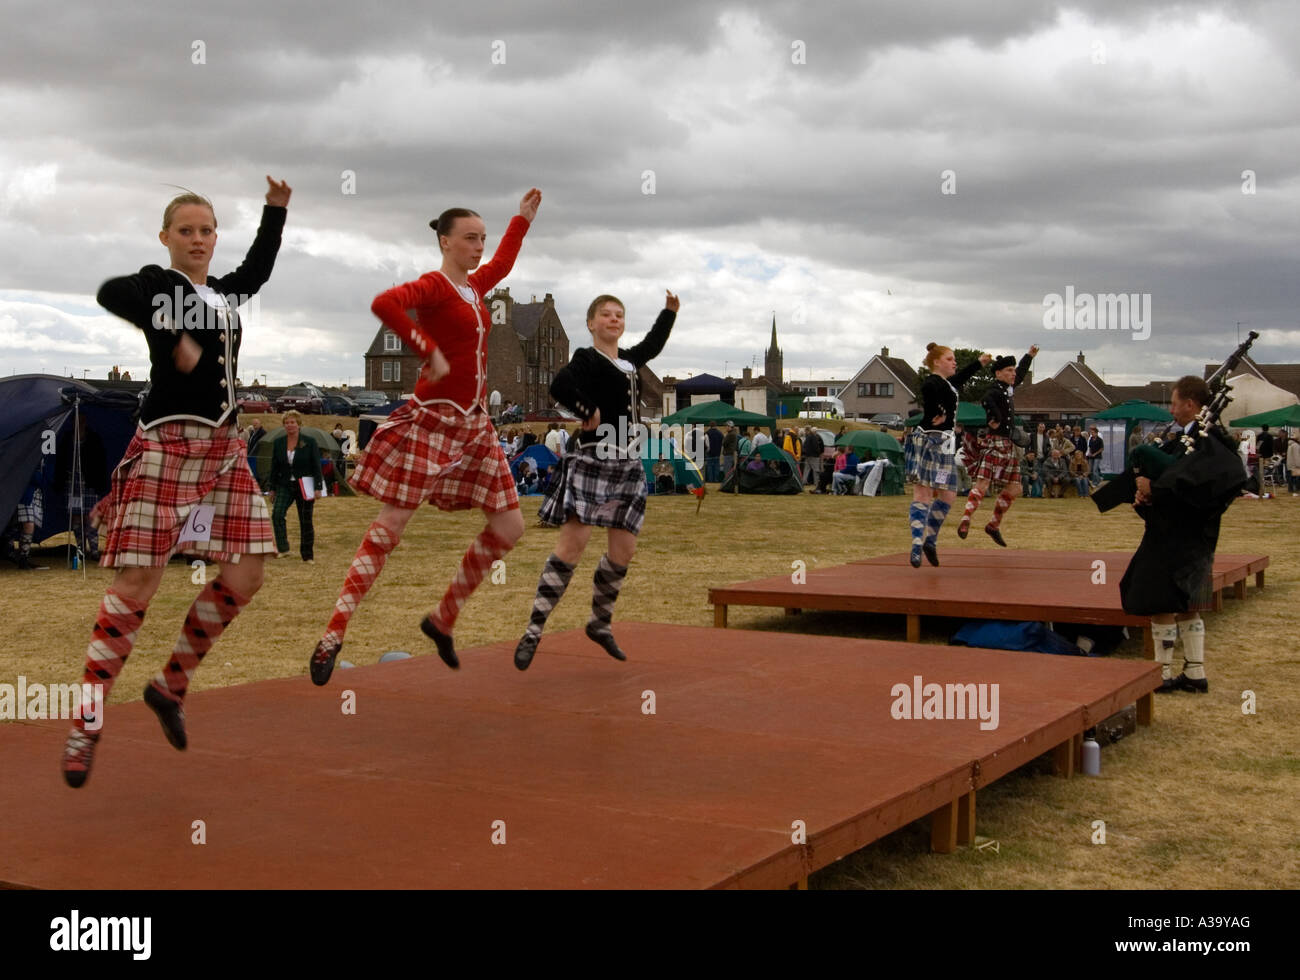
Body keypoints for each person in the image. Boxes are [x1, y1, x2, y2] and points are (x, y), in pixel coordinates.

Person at [60, 176, 291, 788]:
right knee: (138, 582)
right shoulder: (158, 286)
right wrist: (174, 338)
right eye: (185, 230)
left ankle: (170, 686)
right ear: (165, 237)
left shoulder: (224, 293)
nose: (197, 239)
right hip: (166, 443)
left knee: (247, 573)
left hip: (223, 446)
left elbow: (258, 271)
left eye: (206, 230)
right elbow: (112, 292)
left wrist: (276, 211)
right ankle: (86, 722)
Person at [310, 189, 542, 683]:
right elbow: (384, 303)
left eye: (482, 237)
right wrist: (424, 347)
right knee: (390, 526)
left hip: (475, 425)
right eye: (470, 238)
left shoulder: (476, 289)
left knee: (510, 529)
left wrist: (520, 221)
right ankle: (333, 632)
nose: (479, 246)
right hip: (435, 420)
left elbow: (503, 262)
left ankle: (443, 618)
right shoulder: (435, 286)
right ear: (445, 241)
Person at [514, 290, 679, 670]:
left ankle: (599, 623)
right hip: (592, 458)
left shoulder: (629, 361)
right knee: (573, 545)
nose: (614, 319)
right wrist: (588, 409)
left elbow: (653, 344)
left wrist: (668, 313)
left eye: (619, 314)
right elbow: (560, 387)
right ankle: (534, 631)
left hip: (627, 463)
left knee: (624, 551)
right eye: (606, 314)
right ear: (591, 324)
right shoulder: (586, 359)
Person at [1114, 376, 1244, 694]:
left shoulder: (1207, 442)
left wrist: (1153, 489)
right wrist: (1146, 495)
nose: (1170, 409)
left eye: (1173, 403)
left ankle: (1163, 672)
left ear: (1190, 404)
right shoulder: (1195, 438)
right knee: (1187, 600)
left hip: (1180, 536)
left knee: (1163, 598)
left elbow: (1193, 484)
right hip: (1186, 534)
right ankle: (1195, 672)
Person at [907, 343, 992, 567]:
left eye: (954, 359)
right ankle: (916, 544)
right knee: (923, 493)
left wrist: (979, 364)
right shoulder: (932, 381)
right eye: (949, 359)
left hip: (945, 444)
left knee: (948, 495)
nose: (954, 362)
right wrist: (939, 411)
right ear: (936, 362)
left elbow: (962, 376)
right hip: (928, 440)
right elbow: (929, 392)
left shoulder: (948, 383)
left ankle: (930, 542)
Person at [957, 347, 1036, 546]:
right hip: (996, 442)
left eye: (1013, 370)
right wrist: (995, 417)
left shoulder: (1007, 388)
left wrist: (1029, 357)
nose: (1013, 373)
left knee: (1016, 488)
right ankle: (965, 519)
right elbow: (986, 400)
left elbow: (1021, 373)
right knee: (982, 484)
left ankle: (993, 525)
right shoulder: (994, 390)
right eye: (1009, 370)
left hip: (1008, 444)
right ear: (998, 373)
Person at [269, 412, 324, 562]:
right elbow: (274, 466)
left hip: (304, 485)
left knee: (305, 520)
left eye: (292, 422)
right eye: (287, 423)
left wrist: (318, 486)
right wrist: (272, 488)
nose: (290, 425)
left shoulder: (309, 442)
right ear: (284, 425)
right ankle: (283, 548)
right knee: (277, 515)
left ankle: (307, 556)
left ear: (299, 424)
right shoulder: (279, 442)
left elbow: (316, 465)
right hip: (284, 484)